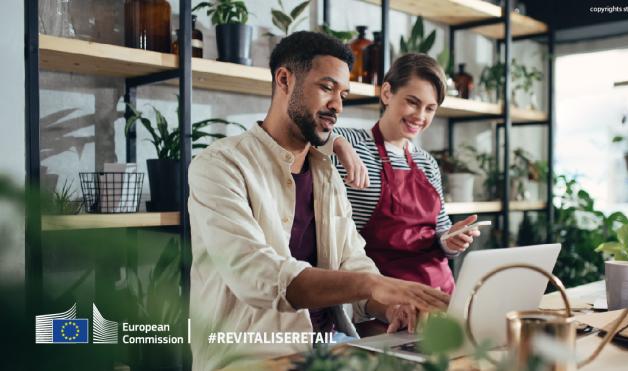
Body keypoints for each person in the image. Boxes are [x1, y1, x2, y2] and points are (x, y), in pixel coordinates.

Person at [188, 32, 449, 369]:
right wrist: (376, 284)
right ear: (284, 80)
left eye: (343, 94)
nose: (337, 106)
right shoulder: (220, 166)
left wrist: (390, 307)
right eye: (327, 88)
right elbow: (258, 275)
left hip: (333, 350)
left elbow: (352, 260)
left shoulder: (325, 172)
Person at [332, 53, 481, 295]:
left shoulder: (427, 162)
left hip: (441, 293)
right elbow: (305, 135)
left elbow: (440, 235)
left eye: (430, 109)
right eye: (412, 102)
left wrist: (451, 240)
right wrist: (336, 143)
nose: (420, 116)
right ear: (387, 93)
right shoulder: (351, 144)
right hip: (383, 298)